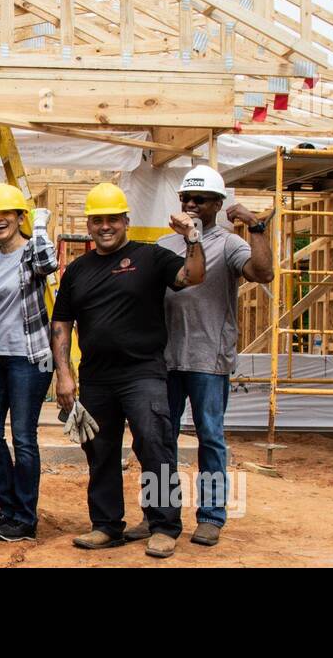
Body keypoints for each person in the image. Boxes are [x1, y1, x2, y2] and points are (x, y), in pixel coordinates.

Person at [50, 182, 206, 560]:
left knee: (154, 444)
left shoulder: (151, 257)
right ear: (89, 224)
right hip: (97, 378)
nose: (106, 226)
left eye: (113, 220)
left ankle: (163, 525)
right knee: (99, 450)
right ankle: (106, 526)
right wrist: (64, 374)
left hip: (143, 373)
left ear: (125, 221)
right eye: (98, 220)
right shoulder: (77, 271)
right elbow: (61, 324)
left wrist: (192, 238)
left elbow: (193, 276)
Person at [154, 165, 273, 548]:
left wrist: (255, 228)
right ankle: (161, 515)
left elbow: (263, 272)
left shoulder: (229, 244)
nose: (190, 204)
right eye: (186, 198)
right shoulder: (164, 244)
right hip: (167, 359)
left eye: (199, 199)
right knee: (161, 439)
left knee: (210, 437)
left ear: (218, 205)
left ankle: (210, 516)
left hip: (209, 358)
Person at [0, 184, 59, 543]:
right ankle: (8, 507)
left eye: (5, 214)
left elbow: (49, 263)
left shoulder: (31, 252)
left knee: (23, 438)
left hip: (28, 359)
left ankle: (25, 517)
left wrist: (40, 227)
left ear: (19, 217)